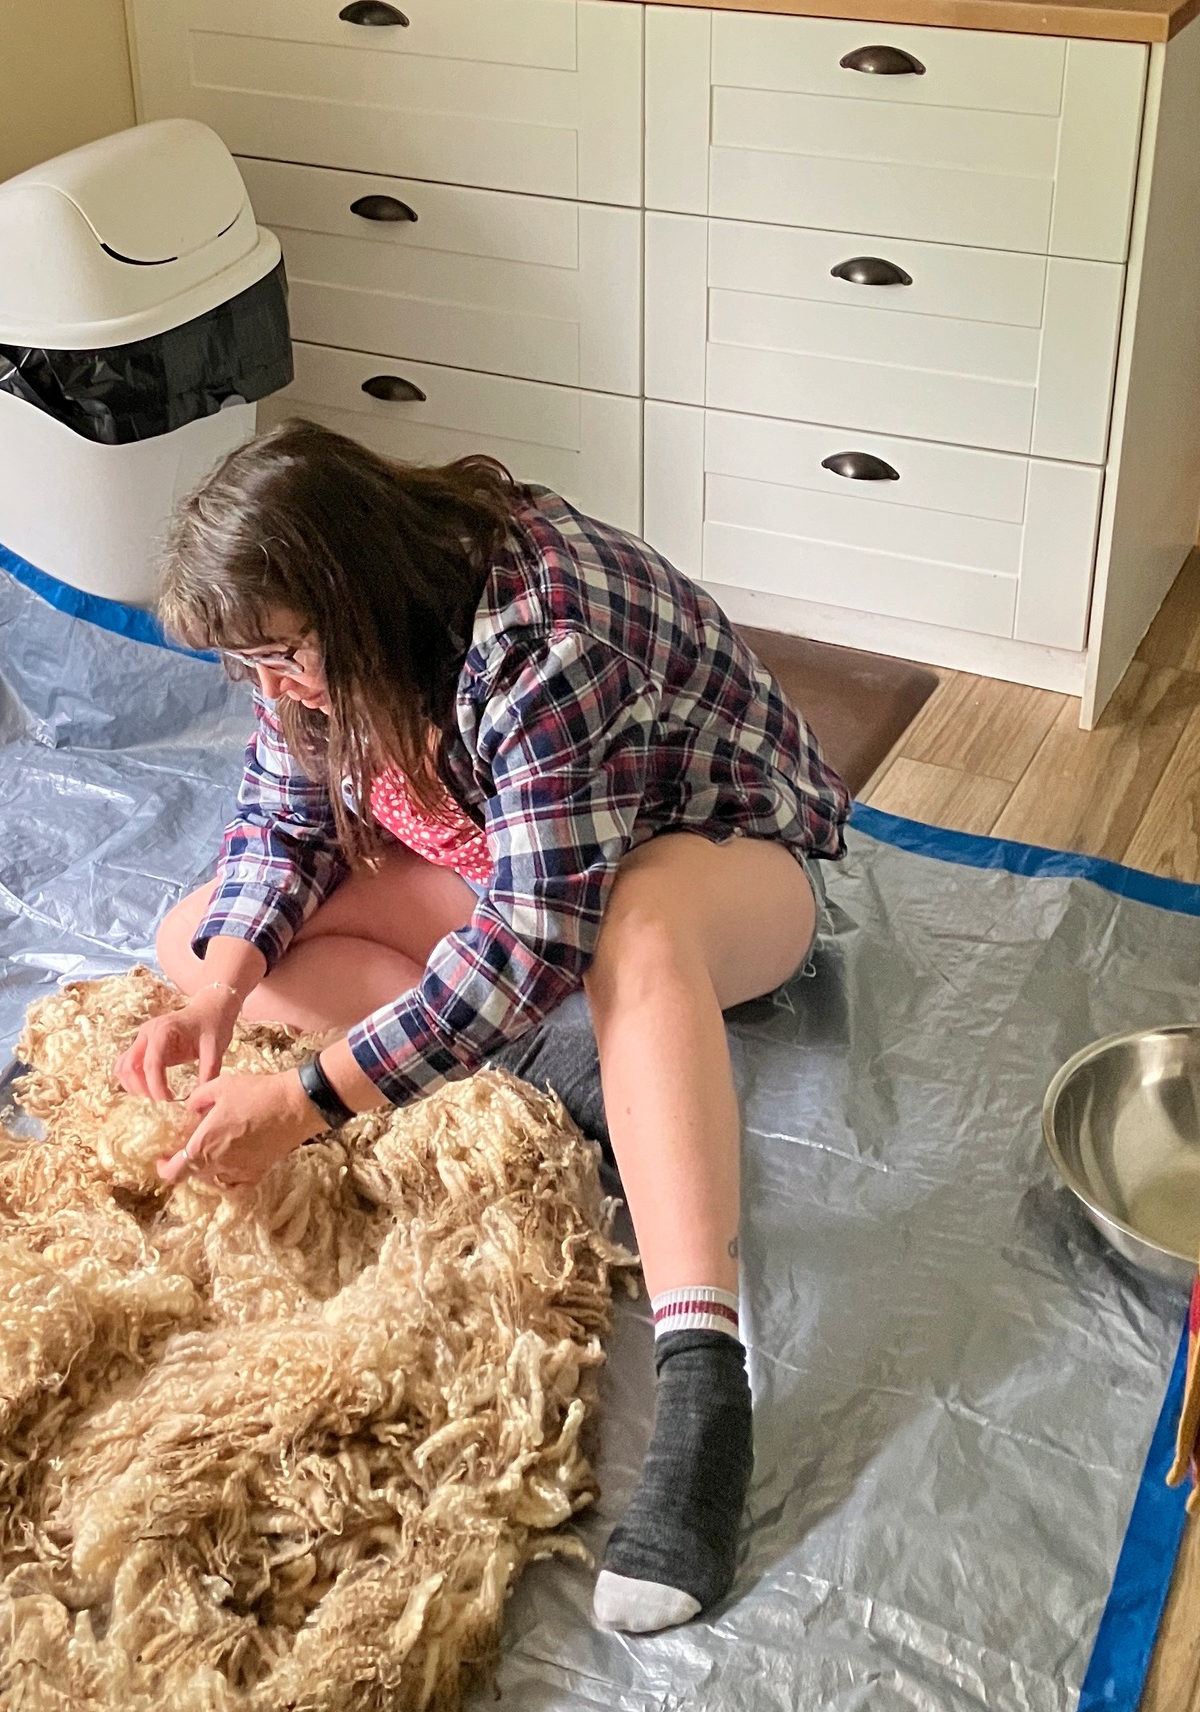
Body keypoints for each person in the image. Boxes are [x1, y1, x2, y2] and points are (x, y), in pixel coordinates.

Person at [119, 419, 849, 1635]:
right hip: (527, 882)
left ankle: (706, 1385)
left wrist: (308, 1098)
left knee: (633, 934)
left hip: (729, 877)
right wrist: (220, 992)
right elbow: (279, 820)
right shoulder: (317, 652)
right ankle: (580, 1063)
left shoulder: (543, 637)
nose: (271, 689)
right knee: (194, 933)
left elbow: (531, 935)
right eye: (245, 667)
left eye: (281, 656)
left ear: (350, 595)